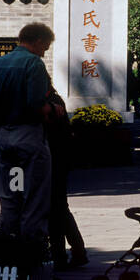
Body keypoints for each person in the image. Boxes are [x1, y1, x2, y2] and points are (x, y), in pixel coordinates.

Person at [0, 22, 55, 246]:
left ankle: (5, 243)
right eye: (46, 47)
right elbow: (36, 103)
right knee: (34, 196)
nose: (45, 52)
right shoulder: (33, 63)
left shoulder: (1, 62)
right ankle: (31, 247)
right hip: (29, 136)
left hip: (5, 136)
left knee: (11, 192)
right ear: (38, 41)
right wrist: (53, 109)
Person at [45, 88, 88, 270]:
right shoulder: (54, 101)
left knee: (56, 209)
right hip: (58, 160)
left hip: (54, 160)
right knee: (59, 208)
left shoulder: (52, 104)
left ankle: (62, 254)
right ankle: (75, 251)